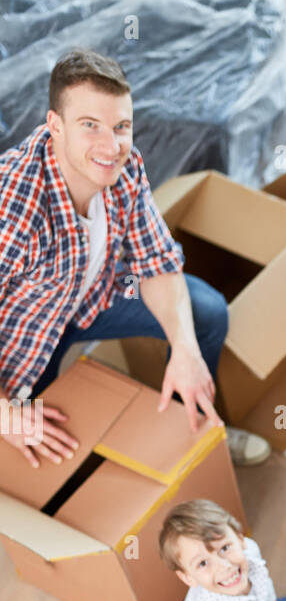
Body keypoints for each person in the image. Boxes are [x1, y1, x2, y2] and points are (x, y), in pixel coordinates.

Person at [0, 48, 270, 471]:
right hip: (19, 344)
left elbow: (157, 261)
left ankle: (195, 429)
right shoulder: (13, 210)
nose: (112, 146)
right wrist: (7, 417)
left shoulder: (122, 165)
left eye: (121, 126)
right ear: (54, 126)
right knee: (42, 461)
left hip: (91, 296)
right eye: (90, 126)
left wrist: (184, 349)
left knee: (204, 314)